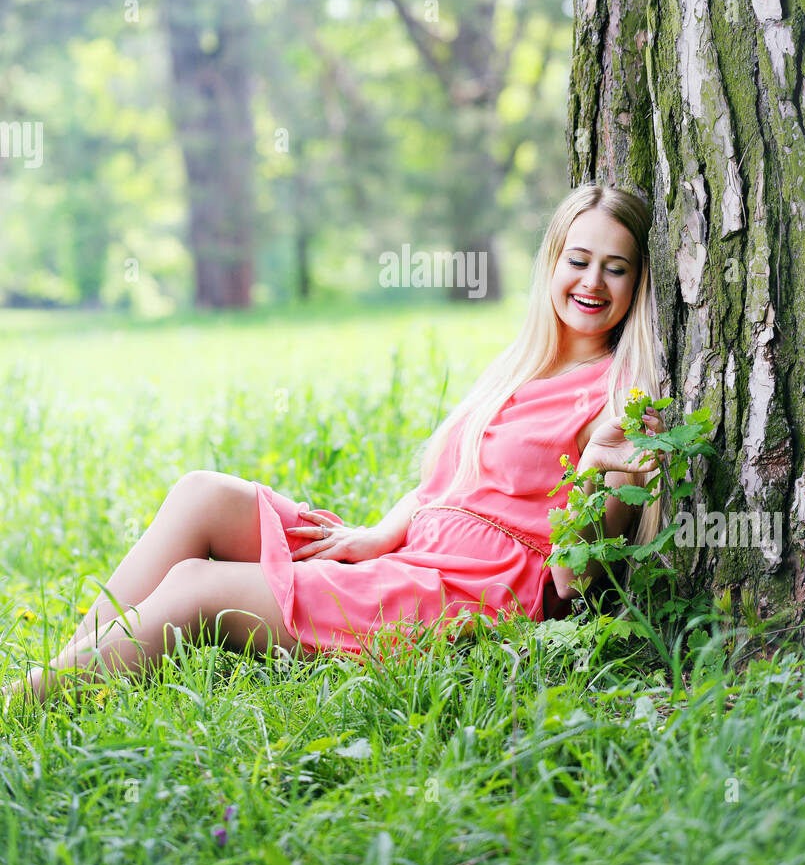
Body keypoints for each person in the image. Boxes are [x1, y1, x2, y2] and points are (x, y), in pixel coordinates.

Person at [2, 182, 665, 711]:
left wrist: (601, 480)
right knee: (203, 494)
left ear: (637, 284)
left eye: (616, 268)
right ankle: (67, 672)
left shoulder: (618, 397)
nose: (592, 283)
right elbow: (450, 483)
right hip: (412, 553)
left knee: (196, 588)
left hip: (463, 597)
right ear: (553, 262)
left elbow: (576, 583)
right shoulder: (522, 367)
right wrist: (379, 535)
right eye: (579, 261)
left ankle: (29, 702)